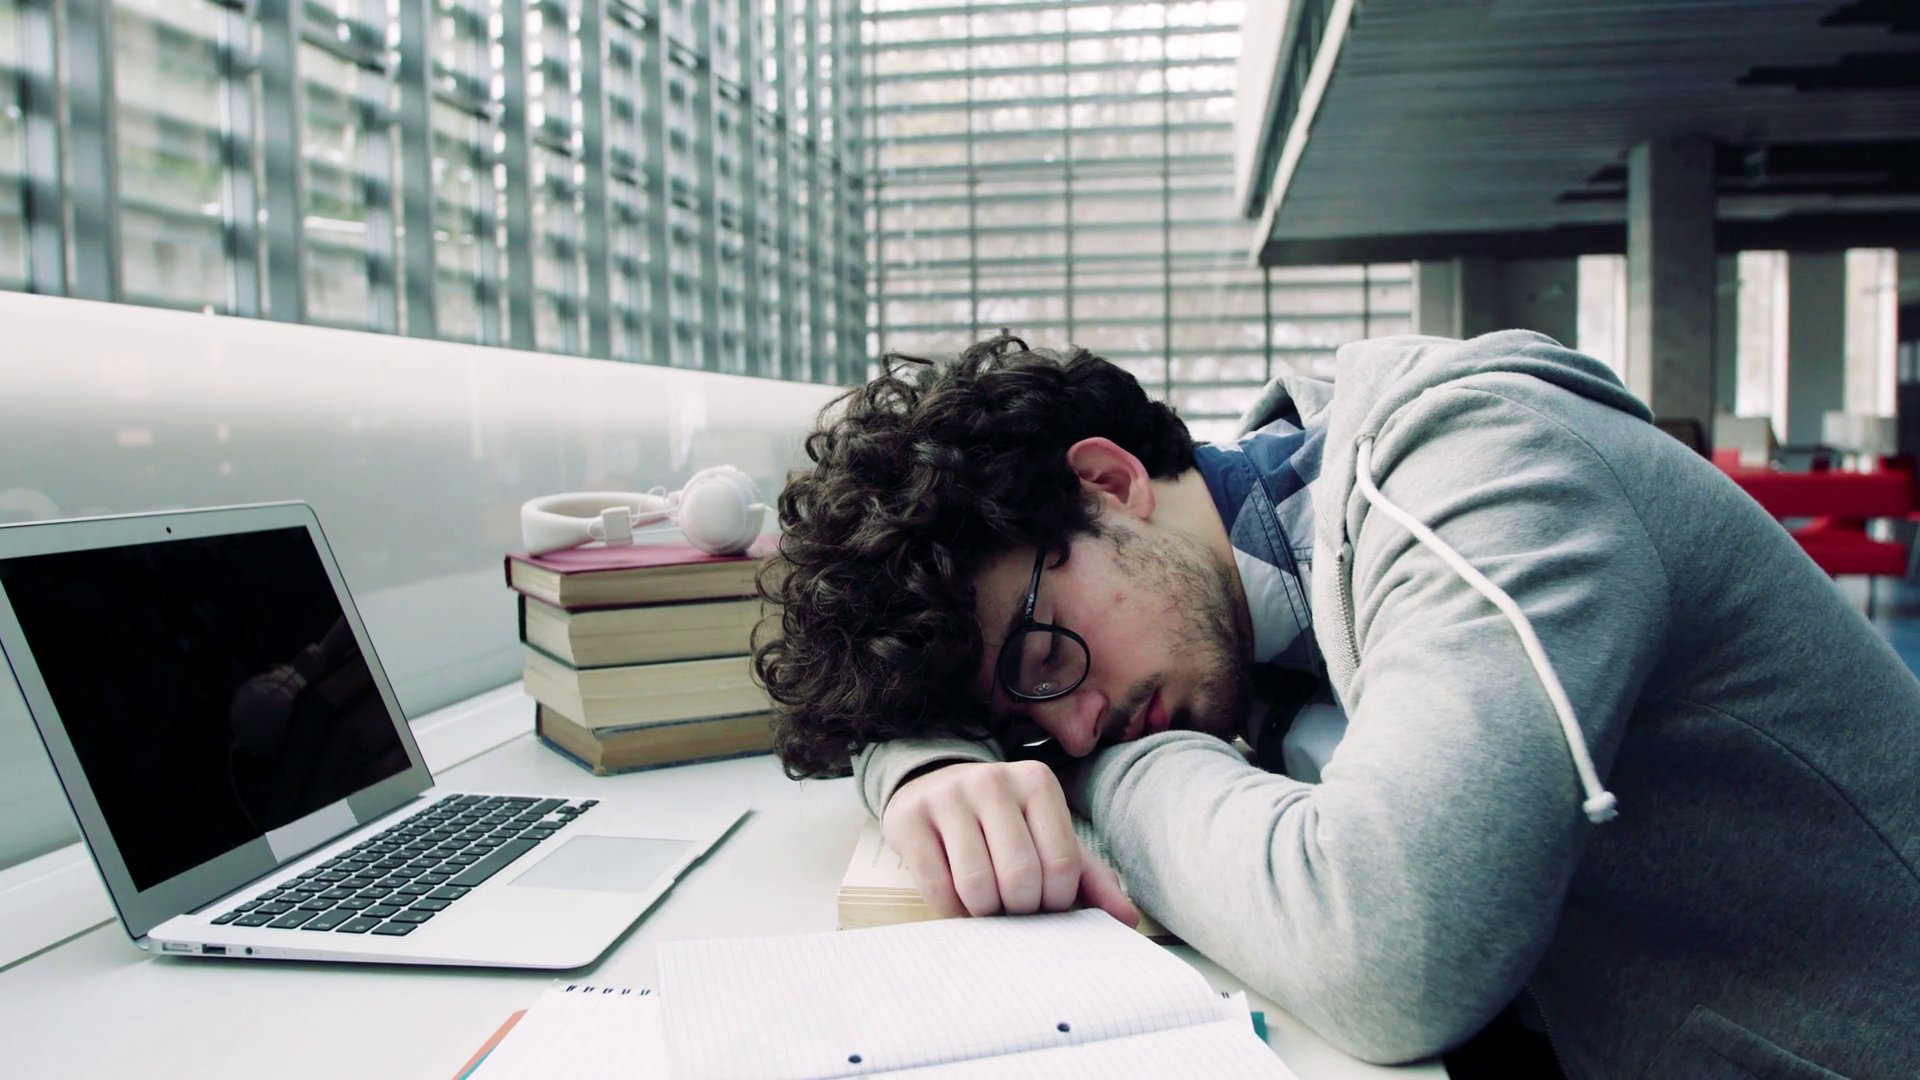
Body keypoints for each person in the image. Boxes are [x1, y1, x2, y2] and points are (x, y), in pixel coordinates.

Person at [753, 329, 1920, 1079]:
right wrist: (935, 767)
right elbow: (942, 708)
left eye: (1050, 658)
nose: (1070, 725)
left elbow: (1395, 951)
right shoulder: (1228, 582)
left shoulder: (1489, 475)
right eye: (1026, 723)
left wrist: (1114, 773)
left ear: (1108, 485)